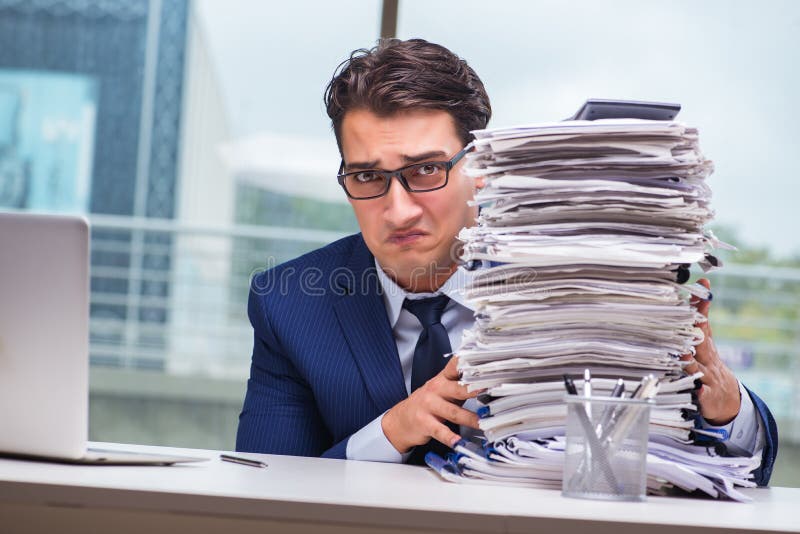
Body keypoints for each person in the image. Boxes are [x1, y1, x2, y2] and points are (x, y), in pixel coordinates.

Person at [235, 38, 777, 484]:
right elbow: (260, 487)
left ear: (482, 167)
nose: (397, 210)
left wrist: (726, 405)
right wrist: (390, 432)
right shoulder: (289, 304)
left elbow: (746, 470)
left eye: (425, 170)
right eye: (367, 176)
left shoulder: (579, 280)